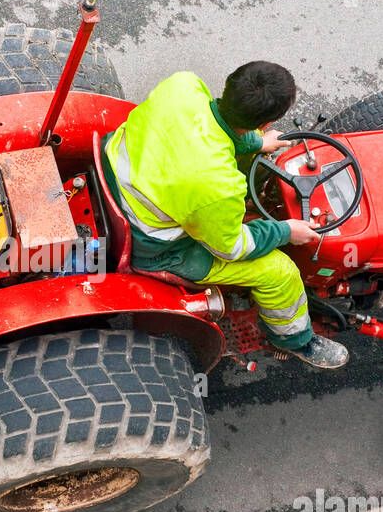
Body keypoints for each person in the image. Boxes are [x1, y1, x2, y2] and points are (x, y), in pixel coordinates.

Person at [101, 62, 349, 368]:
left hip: (116, 179)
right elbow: (231, 248)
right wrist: (287, 231)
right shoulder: (219, 185)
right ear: (270, 119)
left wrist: (257, 142)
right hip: (157, 249)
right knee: (280, 272)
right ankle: (294, 339)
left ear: (230, 83)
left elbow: (208, 124)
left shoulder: (182, 85)